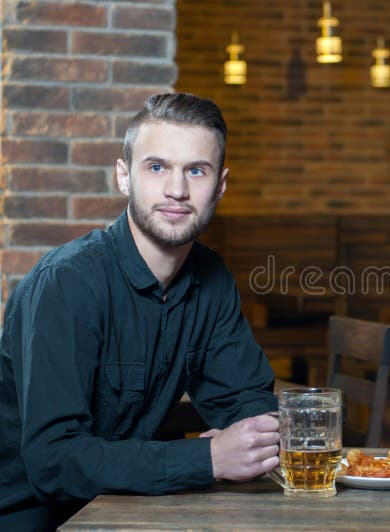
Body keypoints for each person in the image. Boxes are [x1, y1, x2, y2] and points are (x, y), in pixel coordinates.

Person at [0, 93, 282, 531]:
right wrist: (209, 458)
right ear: (123, 177)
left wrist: (247, 440)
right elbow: (54, 461)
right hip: (33, 519)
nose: (177, 189)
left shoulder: (211, 279)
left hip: (132, 508)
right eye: (157, 167)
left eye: (196, 170)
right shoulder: (67, 283)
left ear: (220, 185)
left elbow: (250, 403)